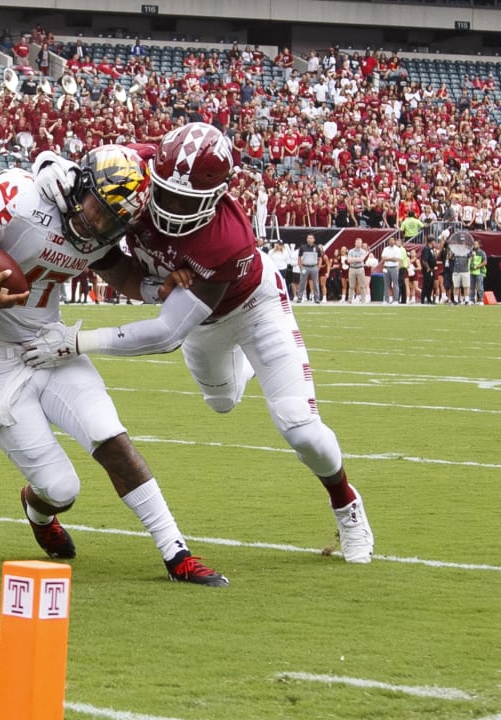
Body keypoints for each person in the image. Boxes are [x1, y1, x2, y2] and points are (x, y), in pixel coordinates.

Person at [27, 125, 374, 565]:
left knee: (299, 427)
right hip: (205, 325)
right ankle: (248, 367)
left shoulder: (228, 239)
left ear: (217, 196)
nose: (171, 208)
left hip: (252, 306)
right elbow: (69, 169)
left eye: (185, 202)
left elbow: (167, 333)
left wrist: (77, 341)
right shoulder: (135, 165)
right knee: (223, 402)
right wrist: (47, 167)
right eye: (166, 193)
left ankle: (346, 504)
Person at [0, 144, 228, 586]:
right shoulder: (20, 200)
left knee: (110, 435)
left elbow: (118, 272)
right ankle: (38, 509)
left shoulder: (105, 232)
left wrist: (159, 288)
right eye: (96, 208)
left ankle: (177, 553)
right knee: (61, 490)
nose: (96, 223)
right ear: (80, 184)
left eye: (110, 221)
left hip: (49, 345)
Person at [296, 233, 322, 303]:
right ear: (306, 239)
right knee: (302, 283)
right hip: (305, 266)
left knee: (315, 283)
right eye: (308, 238)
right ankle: (299, 298)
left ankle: (316, 298)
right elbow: (299, 257)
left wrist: (318, 267)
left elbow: (320, 258)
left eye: (311, 238)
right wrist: (300, 266)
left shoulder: (317, 248)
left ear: (314, 239)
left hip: (314, 267)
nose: (309, 239)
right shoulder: (303, 247)